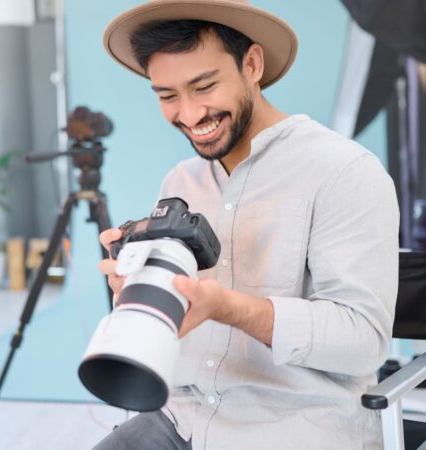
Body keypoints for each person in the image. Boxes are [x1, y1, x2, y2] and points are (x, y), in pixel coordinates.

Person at [94, 1, 399, 449]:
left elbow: (363, 341)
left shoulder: (343, 171)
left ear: (252, 64)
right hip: (183, 417)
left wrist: (228, 307)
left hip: (293, 426)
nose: (189, 114)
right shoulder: (180, 183)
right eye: (167, 96)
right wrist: (137, 285)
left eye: (204, 86)